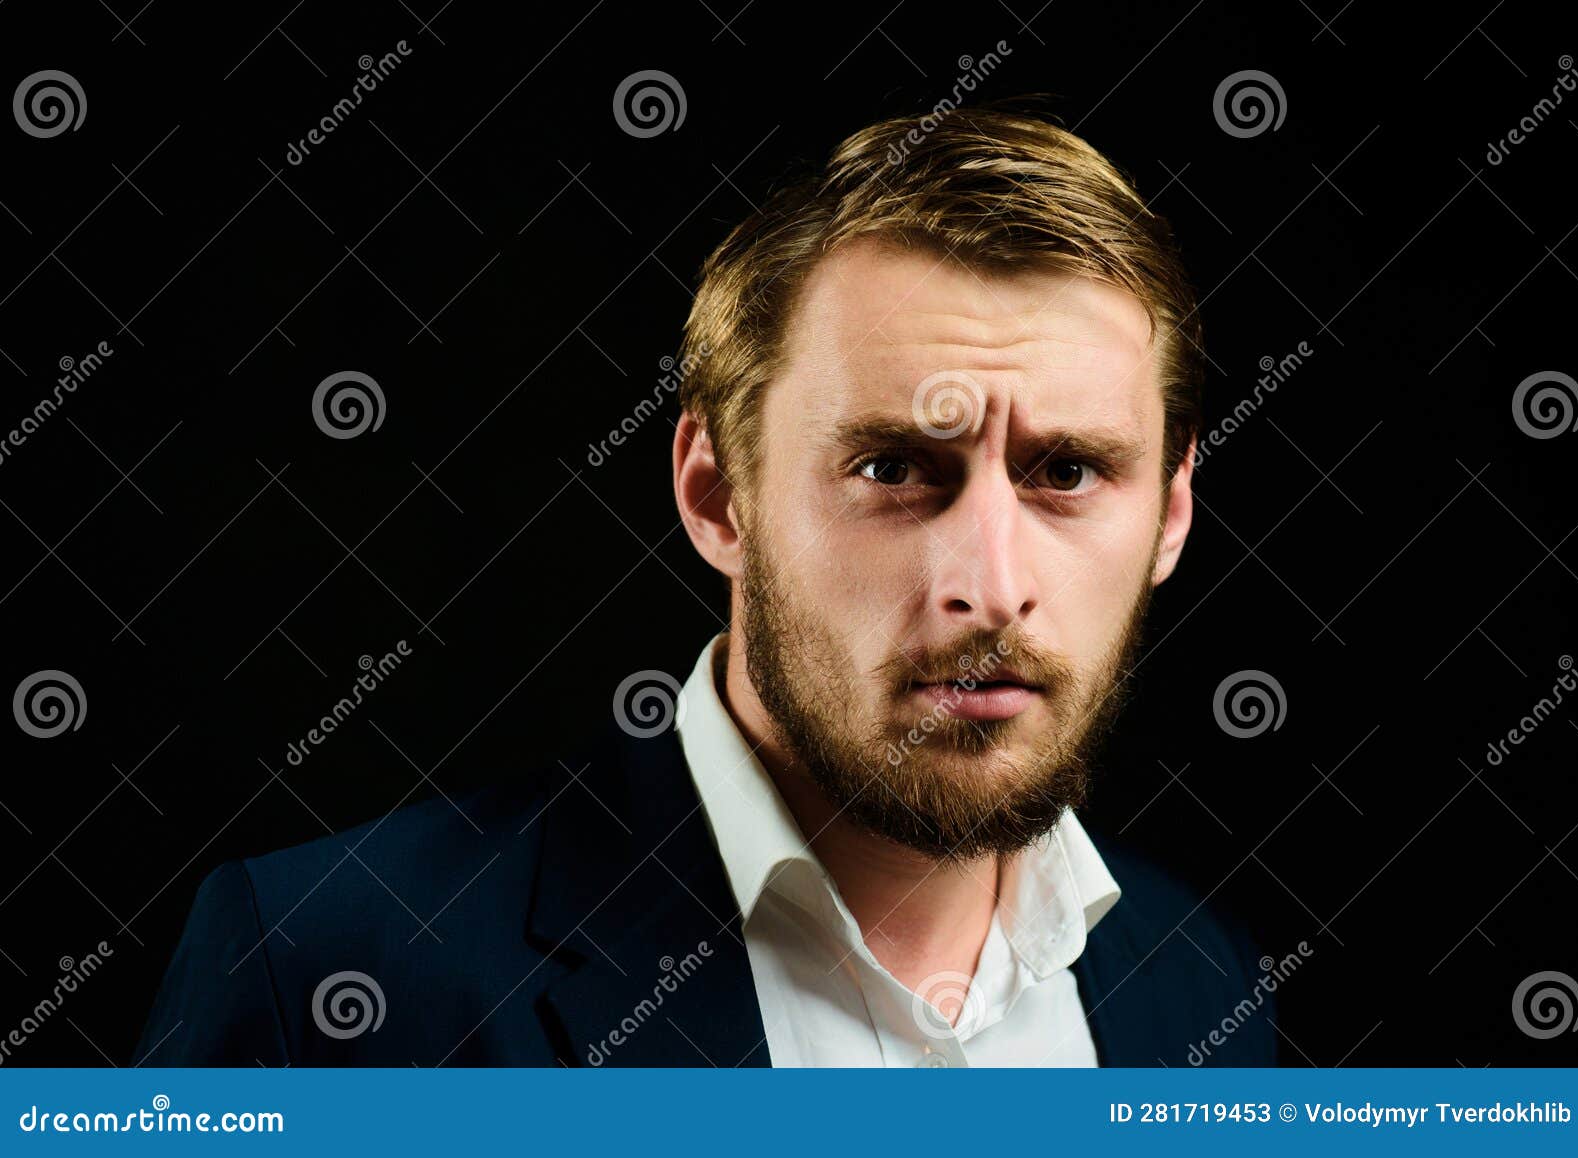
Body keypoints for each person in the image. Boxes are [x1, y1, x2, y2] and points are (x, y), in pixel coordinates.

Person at [136, 107, 1275, 1068]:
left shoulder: (1199, 986)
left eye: (1067, 472)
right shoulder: (325, 966)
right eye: (891, 469)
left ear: (1169, 513)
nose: (991, 584)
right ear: (716, 496)